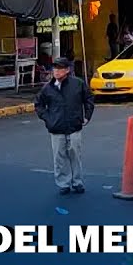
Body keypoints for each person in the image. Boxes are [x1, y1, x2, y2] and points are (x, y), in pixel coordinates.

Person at [34, 57, 95, 195]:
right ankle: (63, 183)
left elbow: (89, 99)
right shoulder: (48, 88)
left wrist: (87, 116)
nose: (56, 71)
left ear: (67, 70)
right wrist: (48, 119)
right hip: (56, 127)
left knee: (75, 154)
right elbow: (38, 104)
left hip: (74, 125)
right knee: (59, 156)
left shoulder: (78, 84)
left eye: (60, 68)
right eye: (55, 68)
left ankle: (77, 182)